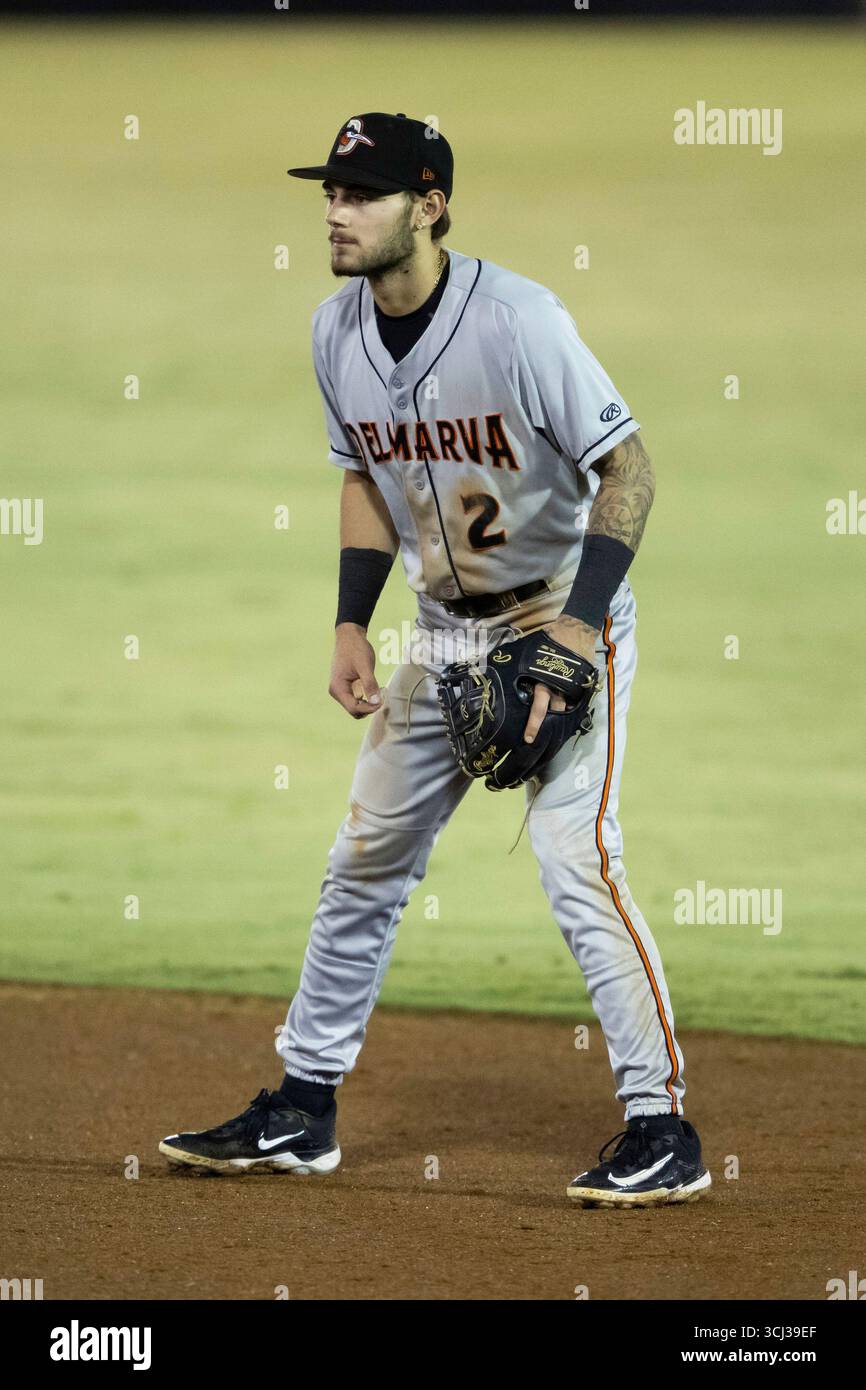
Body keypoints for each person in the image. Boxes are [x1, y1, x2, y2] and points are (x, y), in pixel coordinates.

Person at [160, 112, 710, 1209]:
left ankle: (660, 1125)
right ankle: (302, 1106)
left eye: (360, 193)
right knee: (363, 855)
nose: (334, 210)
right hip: (440, 633)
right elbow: (364, 476)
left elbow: (630, 472)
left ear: (430, 203)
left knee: (574, 856)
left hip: (560, 613)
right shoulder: (332, 331)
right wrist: (350, 621)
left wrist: (575, 632)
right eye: (328, 191)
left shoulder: (518, 322)